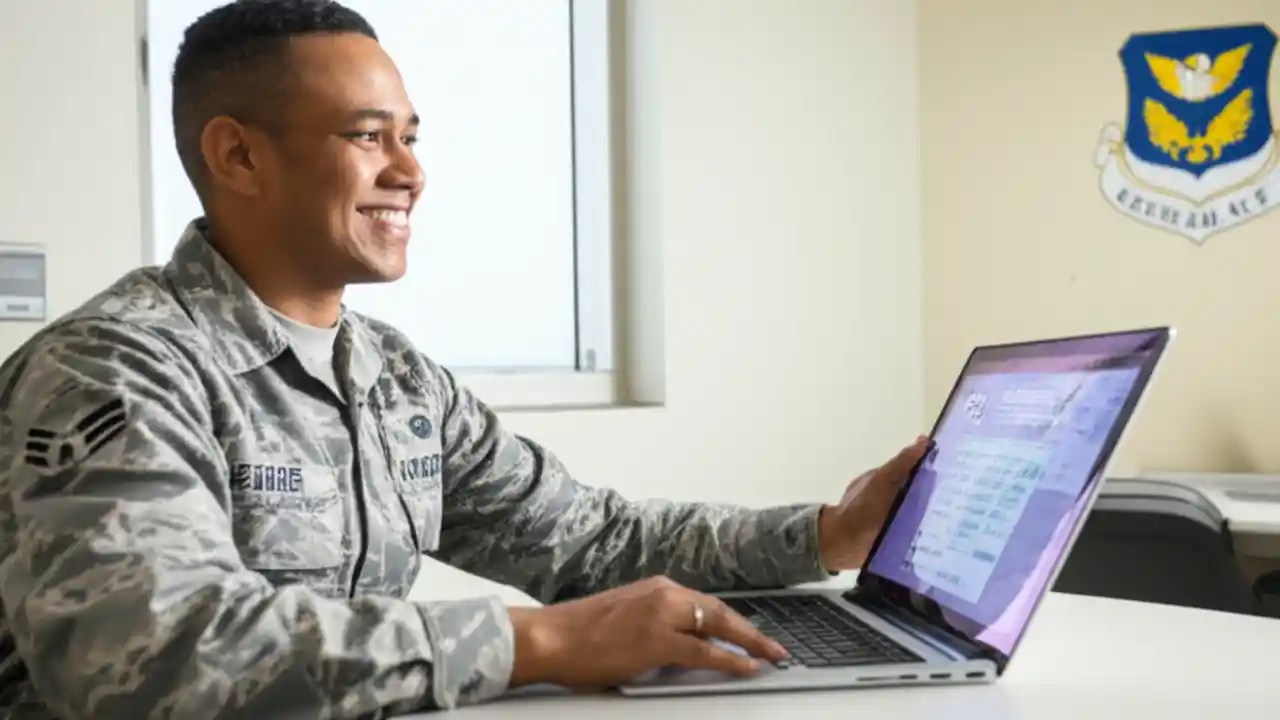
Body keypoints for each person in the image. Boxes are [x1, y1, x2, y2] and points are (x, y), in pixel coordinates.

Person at [0, 1, 928, 718]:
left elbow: (587, 540)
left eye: (410, 135)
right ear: (238, 155)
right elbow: (150, 650)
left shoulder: (396, 378)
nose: (410, 171)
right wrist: (540, 642)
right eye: (368, 136)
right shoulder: (115, 368)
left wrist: (826, 533)